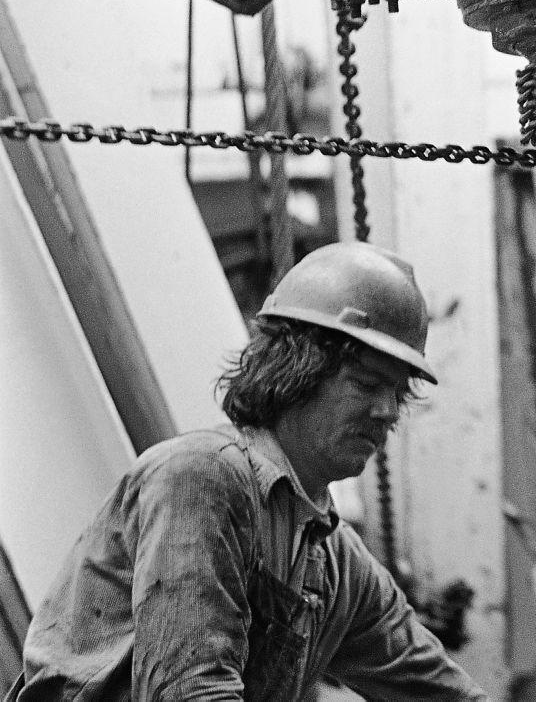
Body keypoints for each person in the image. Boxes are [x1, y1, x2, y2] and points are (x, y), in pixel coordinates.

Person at [6, 242, 489, 701]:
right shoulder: (199, 478)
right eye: (366, 383)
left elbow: (436, 687)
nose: (386, 411)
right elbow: (188, 691)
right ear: (297, 371)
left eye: (397, 394)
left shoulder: (336, 562)